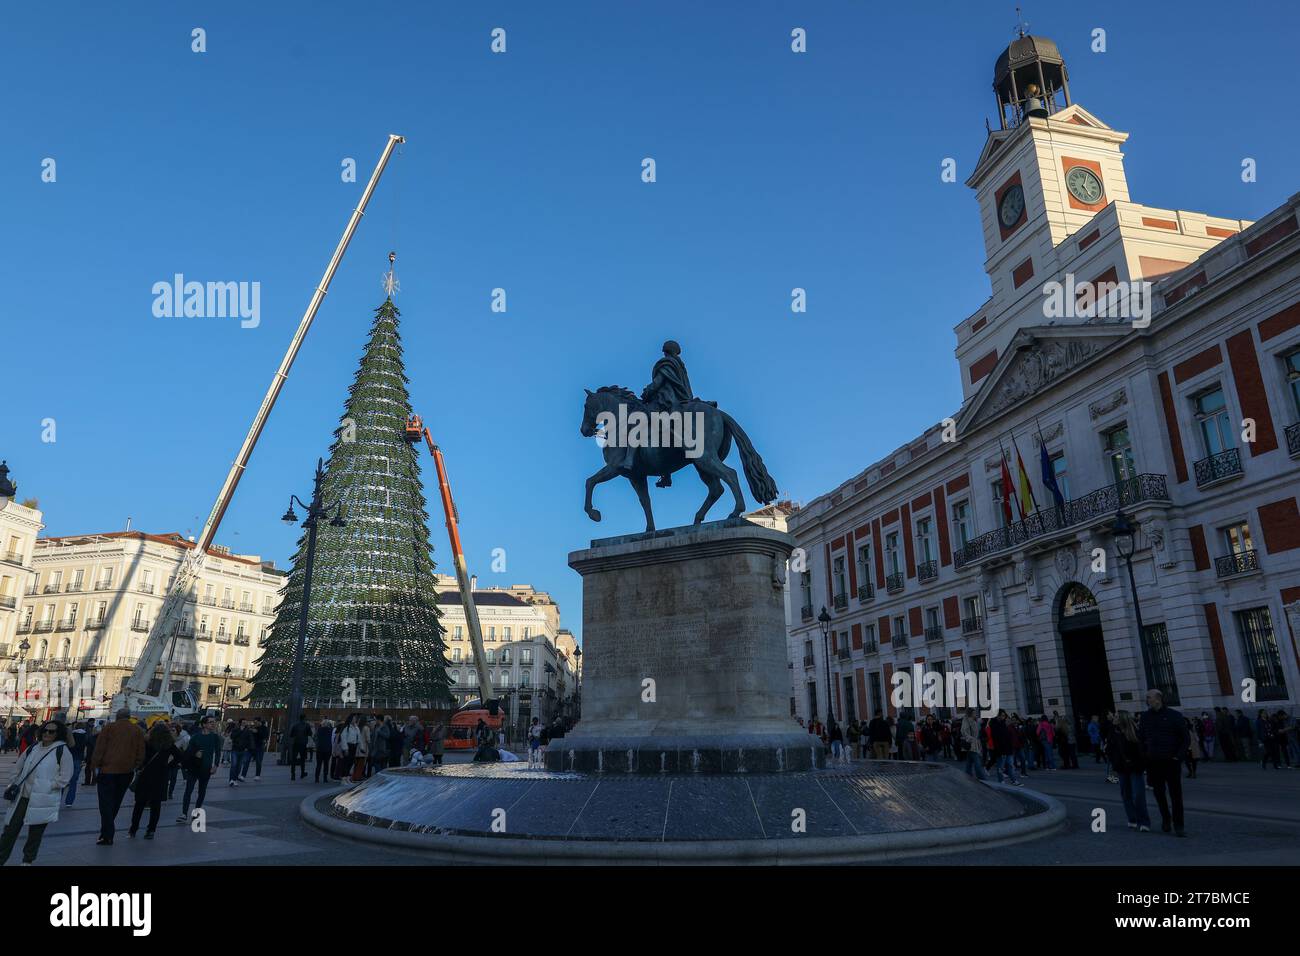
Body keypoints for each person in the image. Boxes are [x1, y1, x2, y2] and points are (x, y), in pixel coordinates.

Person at [1, 720, 71, 865]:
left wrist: (48, 786)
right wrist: (15, 781)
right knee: (10, 830)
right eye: (45, 730)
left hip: (43, 799)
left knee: (35, 833)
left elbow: (65, 778)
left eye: (51, 731)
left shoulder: (62, 751)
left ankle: (27, 861)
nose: (47, 733)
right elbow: (18, 766)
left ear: (58, 734)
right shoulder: (33, 747)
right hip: (22, 797)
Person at [90, 708, 145, 845]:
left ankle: (107, 834)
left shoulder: (109, 728)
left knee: (105, 803)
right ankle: (106, 832)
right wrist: (135, 765)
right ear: (129, 717)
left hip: (108, 770)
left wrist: (94, 766)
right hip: (126, 771)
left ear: (117, 716)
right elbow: (141, 752)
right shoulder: (137, 730)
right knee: (116, 801)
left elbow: (99, 748)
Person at [1138, 689, 1190, 837]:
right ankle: (1166, 819)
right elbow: (1141, 738)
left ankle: (1179, 825)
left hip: (1171, 762)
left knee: (1176, 795)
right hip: (1153, 762)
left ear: (1157, 699)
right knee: (1159, 794)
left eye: (1148, 697)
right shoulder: (1145, 717)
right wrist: (1144, 756)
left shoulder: (1174, 715)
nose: (1146, 700)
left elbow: (1185, 739)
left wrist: (1178, 757)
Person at [128, 722, 186, 840]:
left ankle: (133, 829)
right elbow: (180, 757)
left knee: (139, 804)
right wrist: (168, 765)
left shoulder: (147, 743)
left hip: (145, 776)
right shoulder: (169, 745)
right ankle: (151, 830)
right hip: (160, 776)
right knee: (156, 805)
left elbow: (138, 756)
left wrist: (139, 766)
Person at [1107, 710, 1151, 831]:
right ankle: (1132, 819)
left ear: (1122, 718)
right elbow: (1109, 749)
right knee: (1126, 794)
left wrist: (1141, 764)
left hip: (1135, 767)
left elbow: (1142, 751)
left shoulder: (1134, 732)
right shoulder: (1113, 732)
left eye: (1116, 716)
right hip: (1121, 768)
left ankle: (1144, 821)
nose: (1113, 718)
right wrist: (1114, 761)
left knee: (1138, 795)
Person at [178, 715, 220, 824]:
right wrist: (195, 754)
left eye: (214, 722)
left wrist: (215, 765)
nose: (213, 724)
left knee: (202, 791)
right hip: (194, 767)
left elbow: (218, 752)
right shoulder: (195, 737)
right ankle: (183, 813)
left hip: (206, 768)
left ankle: (196, 812)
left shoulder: (215, 737)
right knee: (188, 790)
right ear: (204, 724)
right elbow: (188, 752)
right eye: (211, 722)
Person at [989, 710, 1023, 786]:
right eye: (1002, 715)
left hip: (1008, 749)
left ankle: (1013, 780)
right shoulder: (994, 725)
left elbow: (1008, 736)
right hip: (1000, 750)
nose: (1004, 717)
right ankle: (1001, 781)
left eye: (1004, 715)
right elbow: (996, 739)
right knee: (1000, 767)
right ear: (998, 716)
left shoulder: (1004, 724)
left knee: (1010, 765)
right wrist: (1000, 751)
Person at [960, 709, 987, 781]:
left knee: (969, 762)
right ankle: (982, 778)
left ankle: (967, 776)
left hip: (974, 744)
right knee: (977, 762)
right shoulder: (967, 720)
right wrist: (971, 739)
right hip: (972, 744)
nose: (975, 714)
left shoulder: (974, 720)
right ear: (970, 713)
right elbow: (964, 731)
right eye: (974, 713)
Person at [65, 720, 88, 805]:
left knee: (64, 779)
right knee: (73, 781)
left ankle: (58, 797)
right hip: (78, 759)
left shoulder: (72, 734)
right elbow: (86, 749)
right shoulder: (85, 736)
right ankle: (69, 802)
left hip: (68, 758)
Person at [169, 721, 190, 799]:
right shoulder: (167, 738)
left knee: (173, 778)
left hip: (176, 762)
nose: (171, 732)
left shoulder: (182, 739)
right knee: (167, 777)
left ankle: (170, 792)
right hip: (167, 761)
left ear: (177, 730)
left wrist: (182, 761)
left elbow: (185, 750)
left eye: (173, 730)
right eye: (170, 730)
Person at [287, 714, 312, 781]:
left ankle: (293, 775)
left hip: (296, 743)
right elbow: (310, 734)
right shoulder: (307, 725)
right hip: (303, 744)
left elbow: (291, 735)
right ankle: (302, 773)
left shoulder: (295, 725)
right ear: (305, 718)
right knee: (302, 759)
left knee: (294, 759)